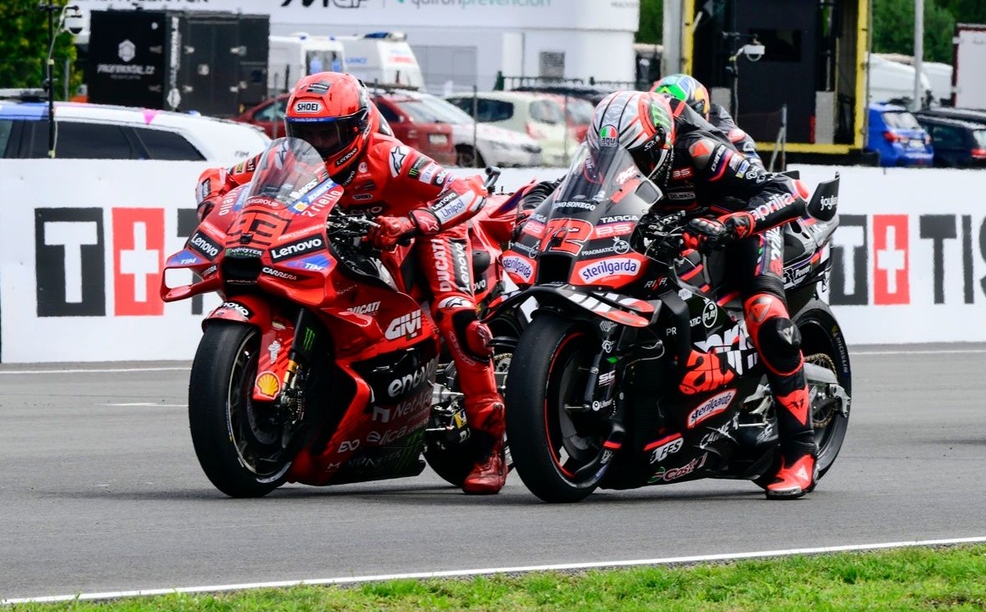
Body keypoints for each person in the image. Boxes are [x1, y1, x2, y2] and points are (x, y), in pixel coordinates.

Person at [195, 71, 509, 494]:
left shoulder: (390, 156)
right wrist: (213, 202)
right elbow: (217, 177)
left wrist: (413, 221)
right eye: (304, 134)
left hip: (425, 233)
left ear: (357, 126)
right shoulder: (286, 159)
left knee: (455, 313)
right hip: (346, 243)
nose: (317, 145)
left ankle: (490, 442)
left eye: (328, 135)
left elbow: (466, 190)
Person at [518, 90, 816, 499]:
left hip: (743, 229)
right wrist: (528, 211)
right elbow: (558, 189)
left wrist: (737, 223)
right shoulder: (609, 150)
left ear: (659, 142)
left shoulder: (699, 148)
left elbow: (787, 189)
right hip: (672, 233)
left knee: (767, 315)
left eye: (639, 156)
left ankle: (800, 451)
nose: (631, 165)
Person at [651, 73, 761, 162]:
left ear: (698, 109)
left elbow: (755, 177)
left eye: (677, 113)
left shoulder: (732, 136)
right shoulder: (651, 136)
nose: (669, 120)